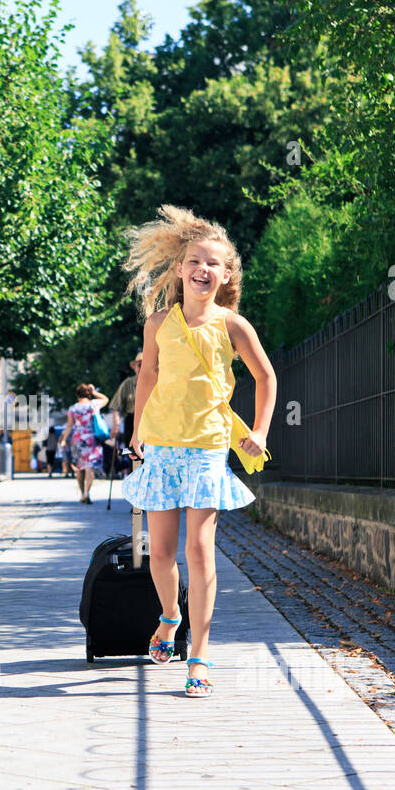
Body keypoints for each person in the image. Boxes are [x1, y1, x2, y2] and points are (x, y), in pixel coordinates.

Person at [120, 205, 276, 698]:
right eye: (194, 261)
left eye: (213, 263)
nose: (202, 269)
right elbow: (148, 375)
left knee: (200, 550)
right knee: (160, 553)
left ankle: (200, 656)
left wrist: (261, 431)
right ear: (180, 269)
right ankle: (169, 617)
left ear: (226, 274)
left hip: (207, 448)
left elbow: (266, 377)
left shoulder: (233, 325)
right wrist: (137, 432)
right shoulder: (159, 321)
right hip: (162, 446)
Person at [63, 383, 109, 503]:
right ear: (88, 393)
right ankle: (86, 493)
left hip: (77, 439)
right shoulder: (94, 404)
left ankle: (82, 493)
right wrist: (94, 392)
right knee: (90, 467)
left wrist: (63, 440)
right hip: (92, 439)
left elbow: (69, 426)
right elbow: (105, 399)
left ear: (77, 394)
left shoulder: (73, 408)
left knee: (79, 468)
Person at [108, 351, 142, 479]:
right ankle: (136, 483)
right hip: (132, 421)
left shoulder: (158, 379)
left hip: (152, 421)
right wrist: (116, 425)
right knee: (134, 454)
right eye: (139, 365)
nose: (141, 367)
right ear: (134, 367)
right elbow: (116, 406)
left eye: (145, 364)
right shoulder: (128, 383)